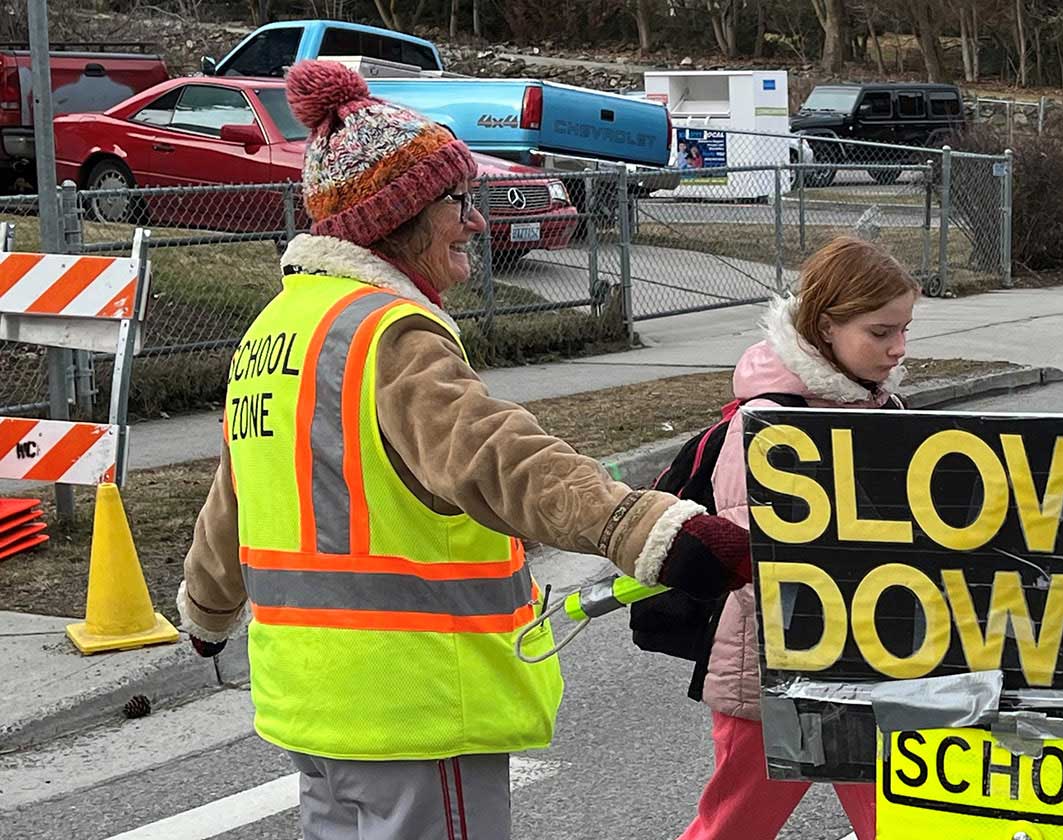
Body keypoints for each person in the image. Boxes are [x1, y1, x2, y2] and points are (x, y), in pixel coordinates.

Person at [175, 60, 752, 840]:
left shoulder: (278, 332)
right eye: (458, 201)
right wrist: (647, 528)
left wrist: (208, 614)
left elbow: (232, 502)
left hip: (311, 708)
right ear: (398, 215)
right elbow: (494, 456)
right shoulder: (388, 335)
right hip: (416, 705)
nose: (475, 222)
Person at [676, 235, 917, 840]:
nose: (898, 348)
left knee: (904, 824)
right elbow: (741, 543)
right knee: (733, 827)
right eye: (881, 332)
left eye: (905, 330)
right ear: (828, 326)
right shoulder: (767, 419)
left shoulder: (884, 409)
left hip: (872, 658)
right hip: (773, 670)